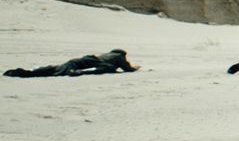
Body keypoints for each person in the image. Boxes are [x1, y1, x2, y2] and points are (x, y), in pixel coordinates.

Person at [5, 49, 139, 78]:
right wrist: (135, 68)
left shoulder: (107, 54)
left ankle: (24, 72)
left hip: (79, 60)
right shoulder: (118, 56)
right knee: (108, 68)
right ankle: (78, 73)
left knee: (56, 69)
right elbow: (127, 69)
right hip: (90, 63)